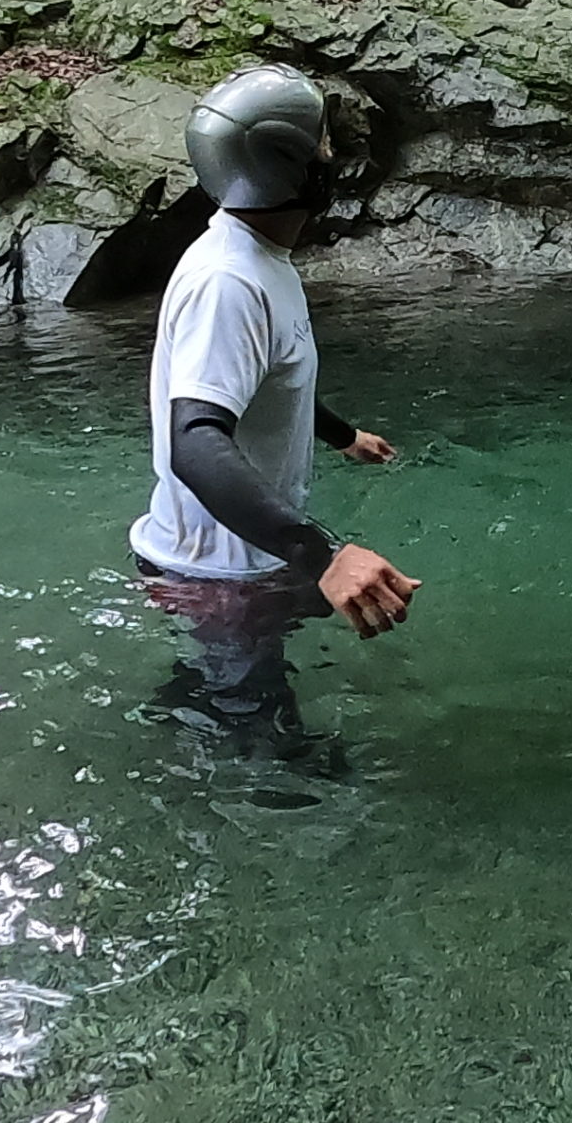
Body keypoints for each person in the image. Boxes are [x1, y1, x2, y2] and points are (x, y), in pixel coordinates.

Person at [130, 63, 420, 754]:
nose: (332, 157)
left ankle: (177, 717)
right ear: (290, 164)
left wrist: (343, 435)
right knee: (267, 753)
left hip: (240, 564)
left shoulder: (257, 258)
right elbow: (195, 441)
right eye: (321, 145)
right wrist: (322, 555)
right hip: (219, 580)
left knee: (237, 706)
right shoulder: (229, 282)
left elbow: (269, 379)